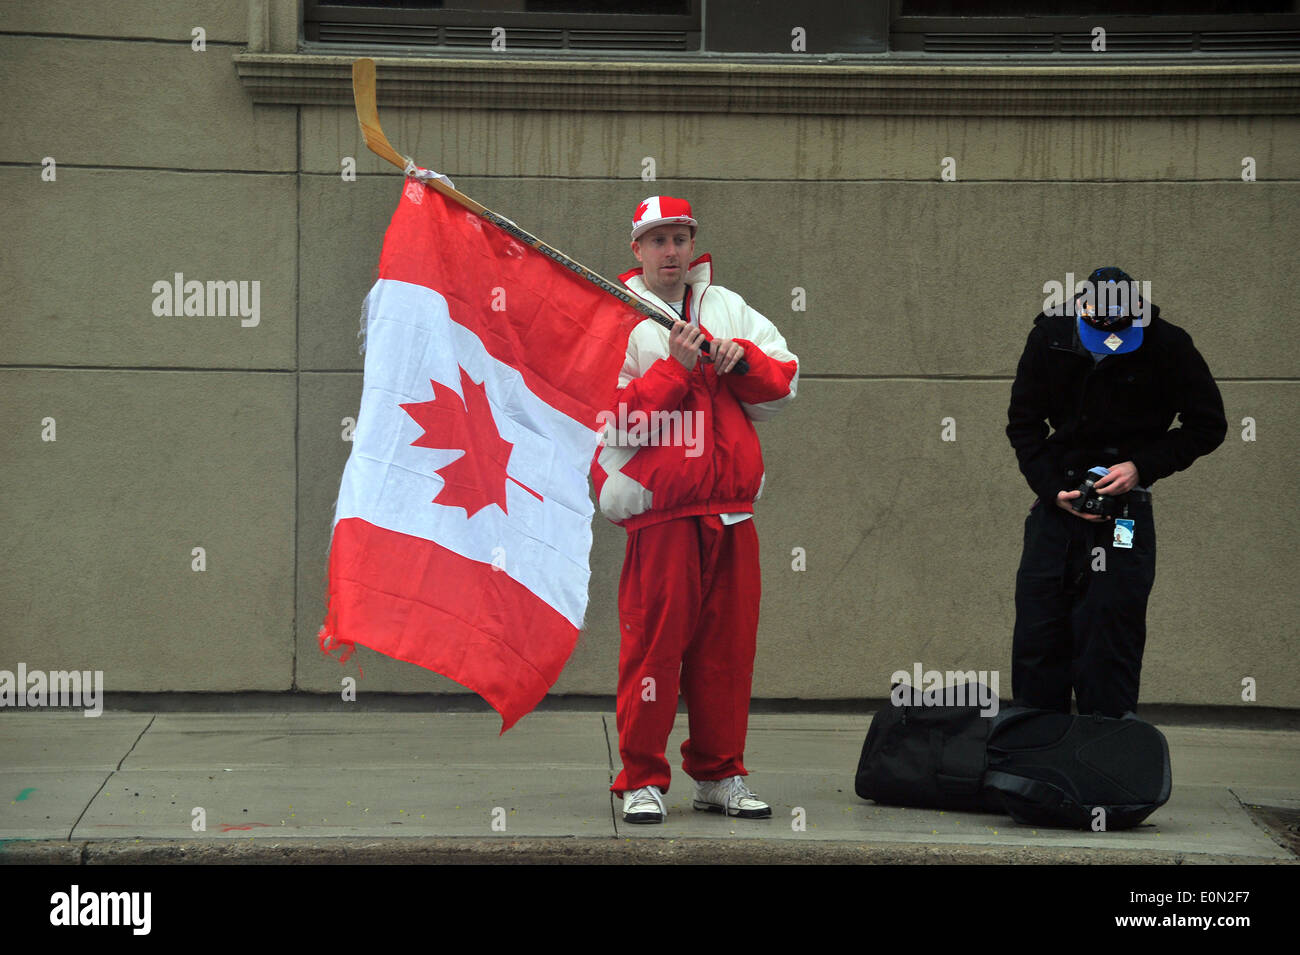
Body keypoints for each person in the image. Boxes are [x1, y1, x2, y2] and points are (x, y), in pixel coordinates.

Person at [591, 196, 799, 823]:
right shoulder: (614, 316)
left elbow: (785, 379)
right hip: (662, 514)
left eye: (679, 238)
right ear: (637, 249)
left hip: (732, 510)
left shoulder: (728, 306)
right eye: (657, 241)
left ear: (692, 243)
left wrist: (743, 361)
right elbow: (610, 419)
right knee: (653, 652)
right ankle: (641, 779)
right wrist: (676, 371)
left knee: (726, 655)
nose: (670, 252)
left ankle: (719, 775)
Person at [1006, 267, 1226, 718]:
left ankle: (1105, 760)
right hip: (1057, 510)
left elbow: (1208, 425)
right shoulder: (1050, 337)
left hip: (1124, 516)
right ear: (1081, 312)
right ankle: (1035, 764)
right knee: (1039, 637)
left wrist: (1140, 467)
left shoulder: (1168, 344)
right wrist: (1053, 489)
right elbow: (1023, 425)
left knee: (1110, 638)